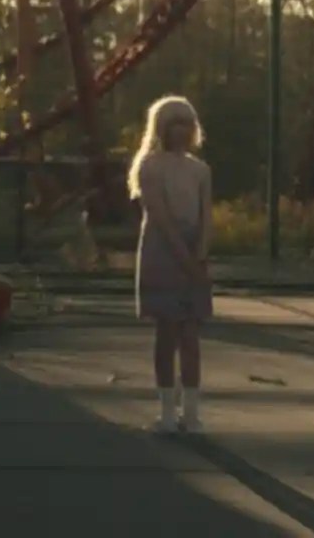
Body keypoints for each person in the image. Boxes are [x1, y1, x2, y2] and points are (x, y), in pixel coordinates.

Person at [128, 95, 213, 434]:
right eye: (173, 123)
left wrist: (202, 254)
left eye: (186, 123)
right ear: (161, 128)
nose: (180, 130)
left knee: (191, 334)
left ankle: (190, 411)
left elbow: (207, 214)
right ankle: (166, 410)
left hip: (194, 251)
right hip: (162, 252)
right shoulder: (150, 166)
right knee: (167, 333)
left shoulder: (200, 169)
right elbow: (159, 216)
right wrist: (184, 258)